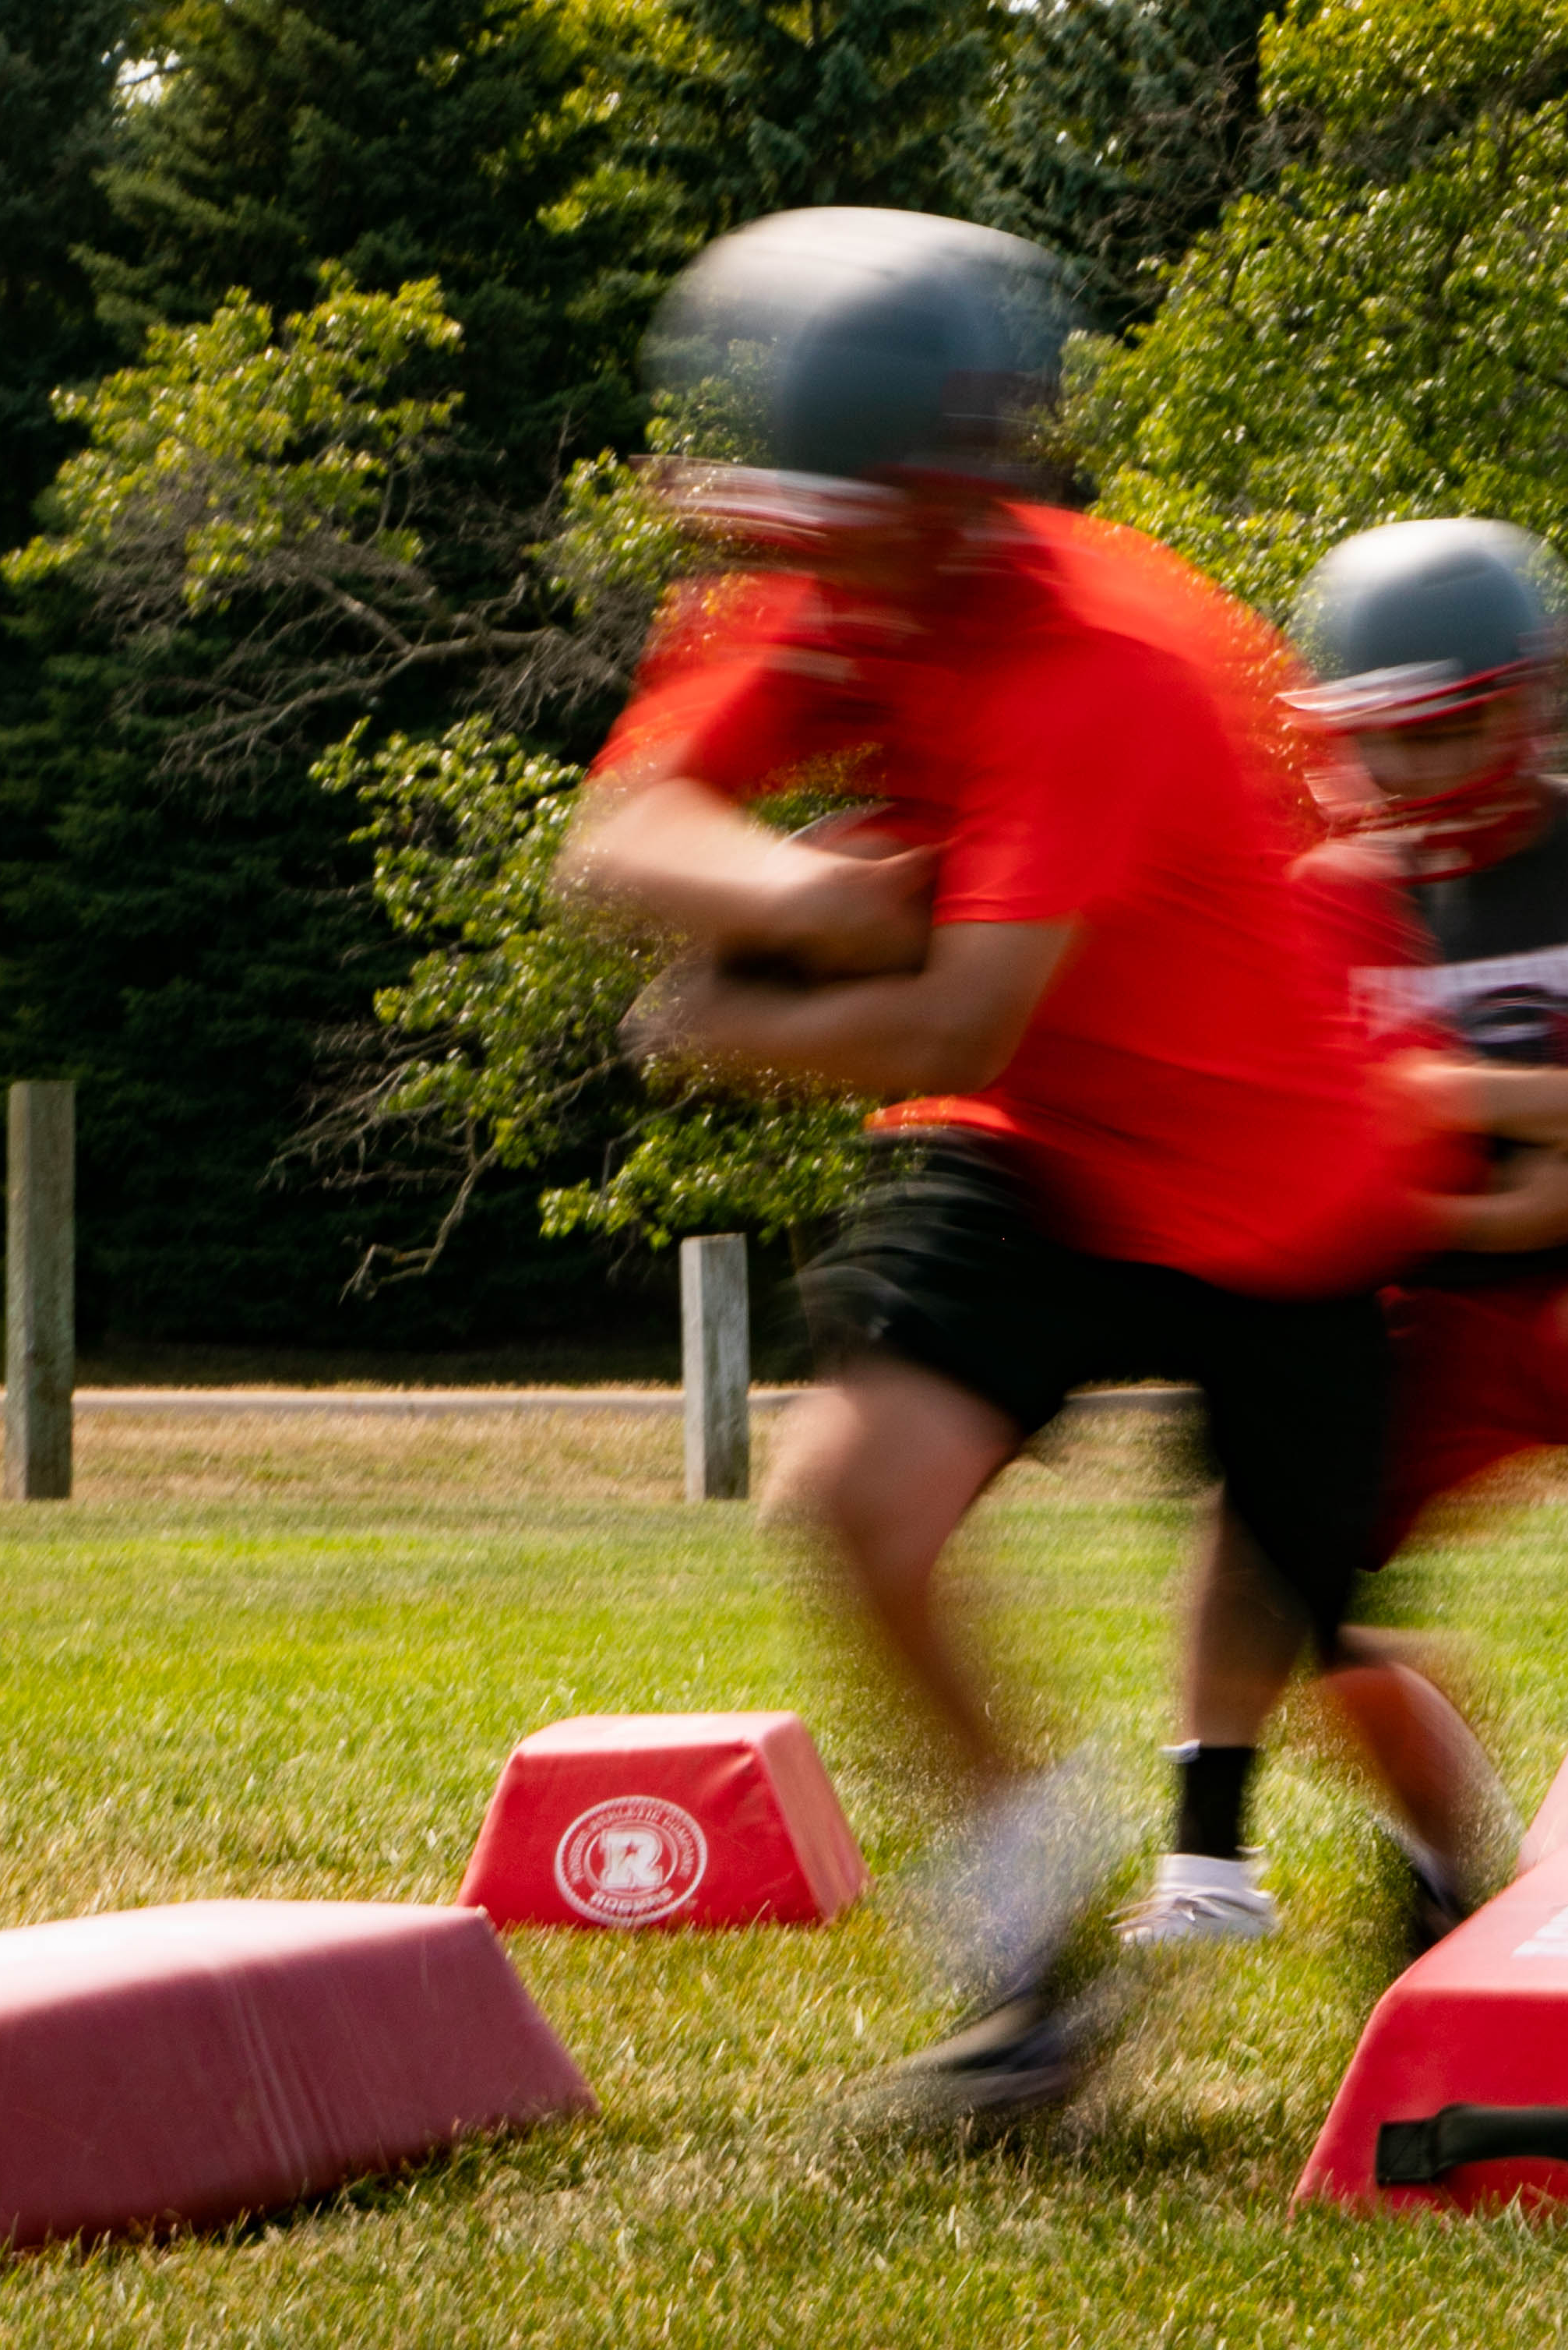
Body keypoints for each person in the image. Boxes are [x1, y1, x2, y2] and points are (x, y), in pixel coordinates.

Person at [561, 208, 1432, 2117]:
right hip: (1043, 1140)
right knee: (850, 1497)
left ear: (961, 493)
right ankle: (1031, 1941)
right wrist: (810, 889)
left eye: (854, 528)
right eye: (798, 526)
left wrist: (742, 1016)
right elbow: (619, 837)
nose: (808, 576)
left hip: (1270, 1173)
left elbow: (958, 1013)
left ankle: (1454, 1888)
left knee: (1330, 1620)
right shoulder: (830, 573)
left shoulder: (1106, 663)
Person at [1117, 517, 1568, 1947]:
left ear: (1528, 706)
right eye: (1375, 739)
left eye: (1436, 733)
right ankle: (1239, 1857)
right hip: (1431, 1272)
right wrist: (1488, 1198)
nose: (1400, 774)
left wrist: (1463, 1086)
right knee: (1278, 1544)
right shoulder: (1328, 897)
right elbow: (1278, 1158)